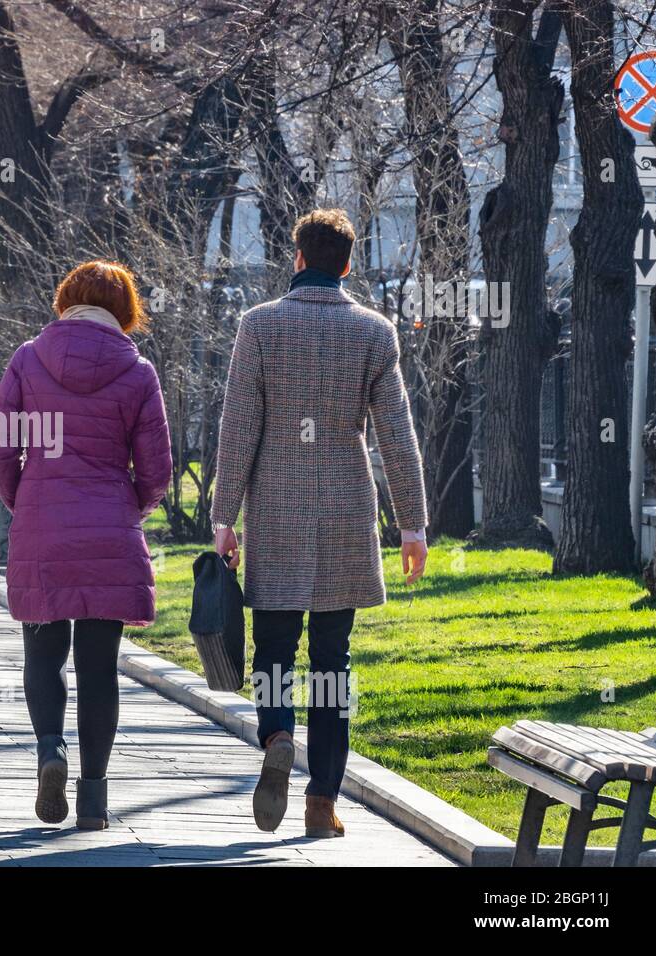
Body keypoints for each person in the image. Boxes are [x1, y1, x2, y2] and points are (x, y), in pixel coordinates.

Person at [210, 208, 429, 839]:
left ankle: (278, 734)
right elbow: (396, 432)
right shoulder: (373, 331)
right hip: (345, 511)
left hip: (274, 511)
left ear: (298, 259)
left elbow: (238, 426)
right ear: (349, 264)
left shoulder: (258, 327)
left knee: (274, 650)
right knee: (334, 660)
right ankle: (321, 800)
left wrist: (225, 514)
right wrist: (411, 524)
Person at [0, 260, 172, 830]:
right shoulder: (138, 372)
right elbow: (158, 469)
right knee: (99, 669)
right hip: (110, 531)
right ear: (125, 311)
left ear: (65, 301)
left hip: (43, 528)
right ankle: (93, 799)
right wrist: (128, 507)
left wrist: (27, 499)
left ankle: (49, 751)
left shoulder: (27, 358)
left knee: (42, 656)